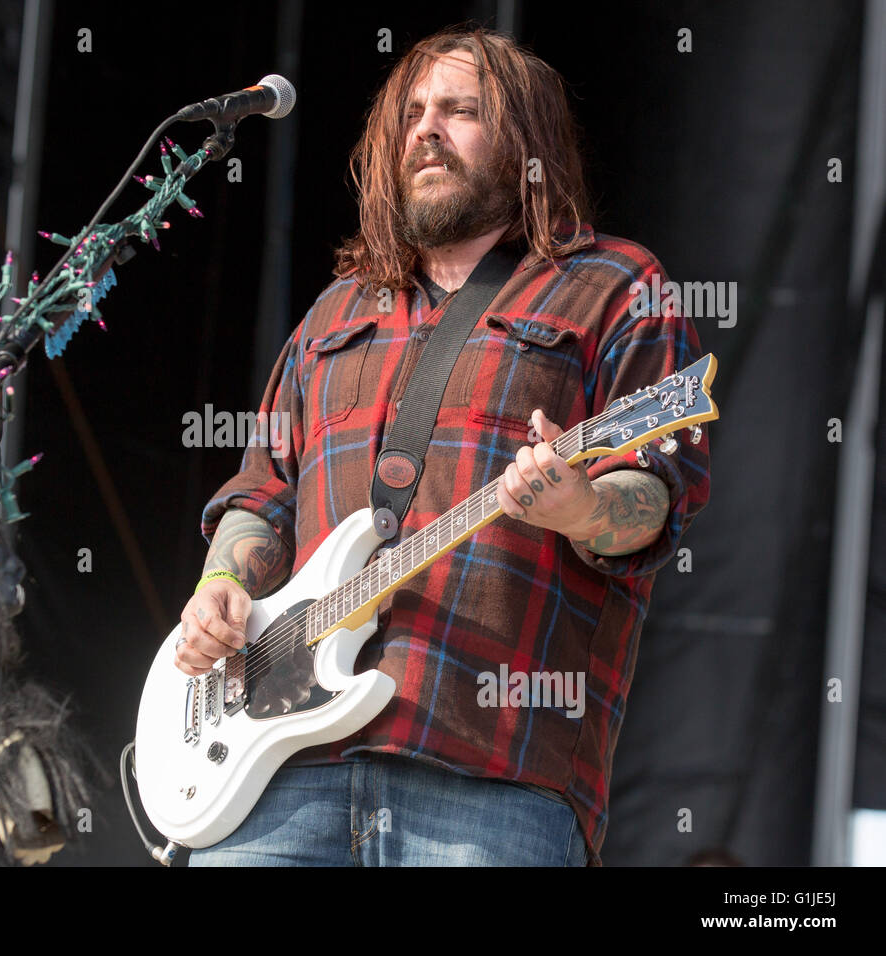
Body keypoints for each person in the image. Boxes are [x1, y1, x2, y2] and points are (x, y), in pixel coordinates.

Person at [176, 26, 710, 866]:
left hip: (489, 772)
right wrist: (218, 587)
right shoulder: (334, 314)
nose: (427, 128)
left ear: (526, 141)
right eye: (414, 114)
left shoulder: (615, 286)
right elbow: (260, 496)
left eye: (462, 111)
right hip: (275, 770)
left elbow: (654, 500)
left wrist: (583, 505)